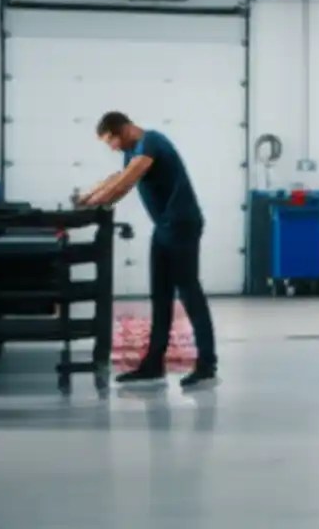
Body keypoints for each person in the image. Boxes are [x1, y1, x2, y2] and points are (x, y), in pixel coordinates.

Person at [77, 112, 218, 389]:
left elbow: (125, 184)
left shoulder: (151, 143)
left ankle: (206, 364)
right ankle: (154, 364)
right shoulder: (131, 152)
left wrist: (92, 204)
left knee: (189, 292)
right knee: (160, 295)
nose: (113, 147)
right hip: (164, 228)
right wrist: (85, 197)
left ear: (126, 129)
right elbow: (114, 179)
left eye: (112, 141)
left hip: (182, 225)